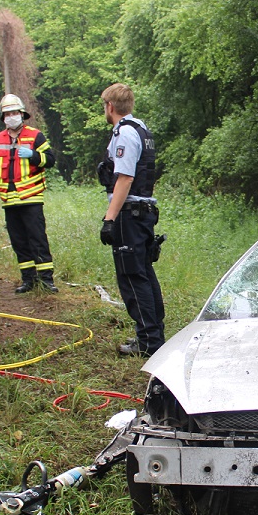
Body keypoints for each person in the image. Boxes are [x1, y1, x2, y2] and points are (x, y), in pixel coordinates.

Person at [98, 83, 165, 357]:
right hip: (143, 212)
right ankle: (154, 335)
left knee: (132, 277)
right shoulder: (142, 130)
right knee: (144, 274)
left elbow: (125, 178)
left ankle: (149, 341)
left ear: (110, 107)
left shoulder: (124, 133)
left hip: (131, 213)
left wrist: (109, 219)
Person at [0, 94, 57, 293]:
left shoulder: (35, 136)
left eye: (15, 112)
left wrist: (33, 155)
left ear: (22, 114)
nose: (11, 116)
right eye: (8, 113)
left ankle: (46, 280)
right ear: (3, 117)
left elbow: (50, 160)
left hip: (31, 196)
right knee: (18, 241)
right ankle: (28, 280)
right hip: (9, 200)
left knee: (37, 238)